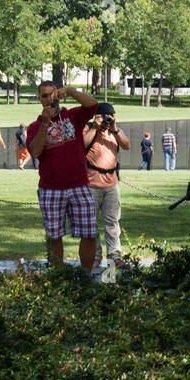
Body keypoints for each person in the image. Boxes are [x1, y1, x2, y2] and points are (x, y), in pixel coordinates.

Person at [28, 83, 100, 272]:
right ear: (39, 99)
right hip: (50, 188)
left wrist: (69, 91)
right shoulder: (34, 126)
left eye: (52, 95)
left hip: (79, 185)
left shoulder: (73, 116)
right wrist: (45, 123)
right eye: (44, 96)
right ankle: (58, 277)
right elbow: (35, 152)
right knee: (54, 236)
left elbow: (93, 106)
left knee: (90, 233)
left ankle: (86, 276)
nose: (49, 99)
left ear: (58, 96)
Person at [85, 103, 131, 266]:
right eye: (104, 116)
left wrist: (115, 129)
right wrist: (95, 128)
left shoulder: (115, 132)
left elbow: (127, 145)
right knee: (91, 224)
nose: (107, 119)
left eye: (110, 116)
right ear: (96, 117)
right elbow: (82, 145)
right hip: (91, 184)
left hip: (112, 185)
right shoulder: (89, 129)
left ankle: (114, 257)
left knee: (112, 223)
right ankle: (94, 257)